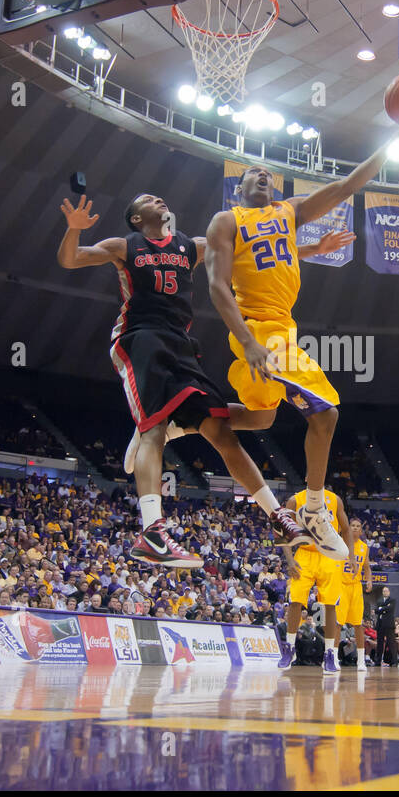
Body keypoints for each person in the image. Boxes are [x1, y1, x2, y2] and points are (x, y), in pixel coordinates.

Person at [57, 193, 308, 565]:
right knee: (153, 429)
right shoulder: (124, 246)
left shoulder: (189, 246)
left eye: (159, 198)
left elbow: (248, 256)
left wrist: (314, 246)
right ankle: (152, 533)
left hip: (181, 344)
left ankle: (276, 515)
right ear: (136, 218)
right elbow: (71, 259)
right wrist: (73, 231)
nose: (158, 198)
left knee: (221, 429)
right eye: (147, 199)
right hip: (139, 337)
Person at [204, 147, 394, 558]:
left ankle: (185, 421)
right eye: (254, 173)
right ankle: (313, 506)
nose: (263, 176)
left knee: (260, 416)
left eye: (268, 173)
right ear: (237, 189)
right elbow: (218, 285)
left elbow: (346, 187)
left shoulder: (288, 211)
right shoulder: (227, 221)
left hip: (281, 327)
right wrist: (249, 339)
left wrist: (390, 143)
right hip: (258, 330)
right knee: (326, 412)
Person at [276, 488, 354, 673]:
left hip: (329, 554)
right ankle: (289, 648)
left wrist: (350, 556)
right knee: (295, 600)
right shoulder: (295, 500)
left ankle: (329, 653)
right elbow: (282, 532)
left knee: (329, 604)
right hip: (305, 554)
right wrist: (289, 559)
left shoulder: (335, 499)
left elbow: (346, 528)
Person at [335, 518, 373, 672]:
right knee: (337, 624)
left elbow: (367, 567)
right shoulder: (340, 542)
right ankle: (333, 658)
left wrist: (369, 580)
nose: (356, 528)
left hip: (356, 587)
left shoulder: (364, 547)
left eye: (358, 526)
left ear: (361, 531)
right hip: (341, 585)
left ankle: (361, 661)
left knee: (358, 624)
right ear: (348, 528)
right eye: (353, 526)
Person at [374, 586, 396, 666]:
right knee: (379, 643)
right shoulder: (379, 601)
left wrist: (381, 608)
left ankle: (394, 661)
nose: (385, 592)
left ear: (389, 592)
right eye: (383, 591)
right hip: (380, 624)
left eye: (386, 591)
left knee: (391, 643)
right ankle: (378, 661)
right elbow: (376, 610)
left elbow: (390, 608)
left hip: (389, 624)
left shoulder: (392, 600)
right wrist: (384, 608)